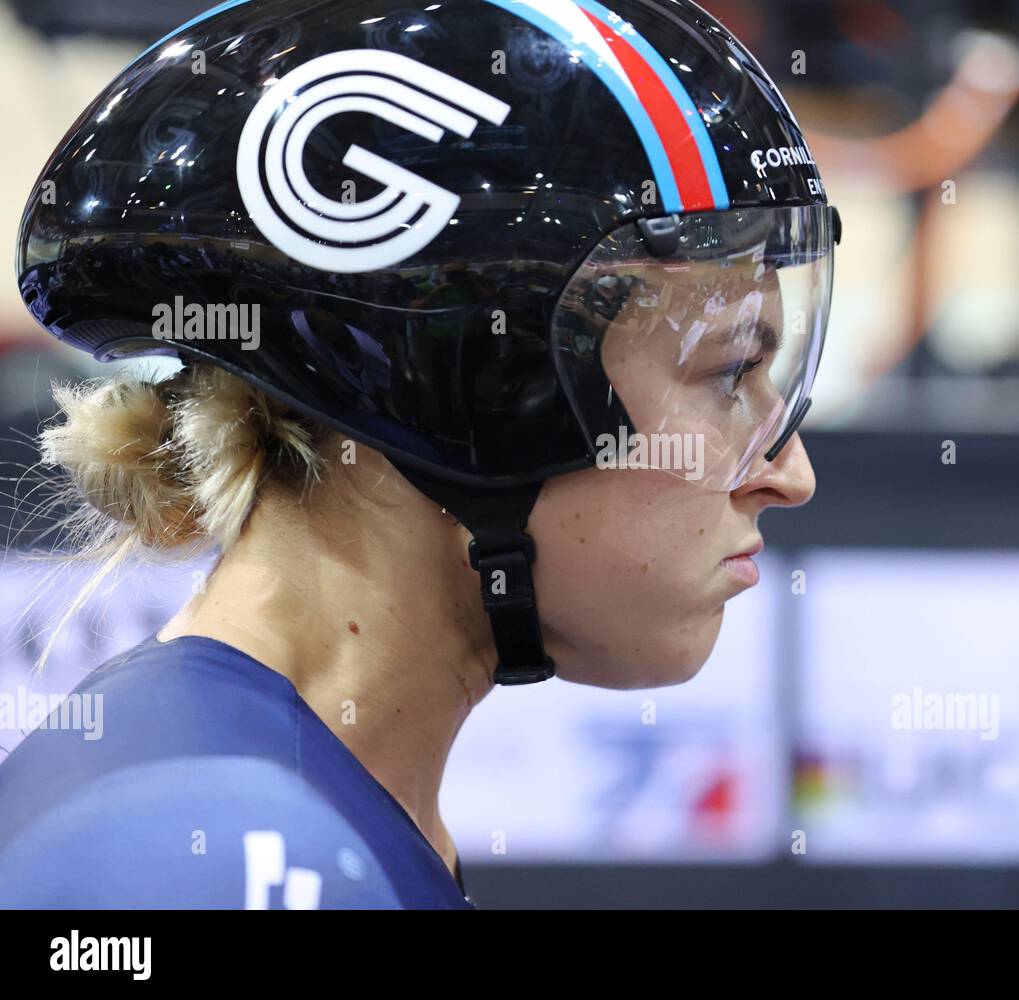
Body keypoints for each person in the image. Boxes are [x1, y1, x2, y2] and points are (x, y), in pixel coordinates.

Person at [0, 0, 839, 908]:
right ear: (474, 392)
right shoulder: (221, 857)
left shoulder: (257, 809)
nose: (789, 476)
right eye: (728, 372)